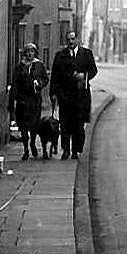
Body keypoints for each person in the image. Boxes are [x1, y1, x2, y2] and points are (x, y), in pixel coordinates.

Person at [51, 30, 98, 160]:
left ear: (77, 39)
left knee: (78, 124)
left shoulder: (86, 54)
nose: (71, 42)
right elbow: (55, 76)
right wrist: (54, 93)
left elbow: (93, 70)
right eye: (68, 40)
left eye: (73, 39)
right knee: (65, 124)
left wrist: (84, 76)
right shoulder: (60, 56)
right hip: (65, 95)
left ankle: (75, 150)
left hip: (81, 95)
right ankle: (65, 149)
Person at [9, 43, 49, 160]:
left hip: (34, 100)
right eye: (27, 52)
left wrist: (39, 84)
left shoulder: (39, 65)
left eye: (31, 52)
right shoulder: (20, 66)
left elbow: (45, 78)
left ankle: (32, 143)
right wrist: (13, 99)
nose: (29, 54)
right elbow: (15, 83)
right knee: (23, 126)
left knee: (34, 125)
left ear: (35, 53)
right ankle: (26, 149)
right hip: (23, 100)